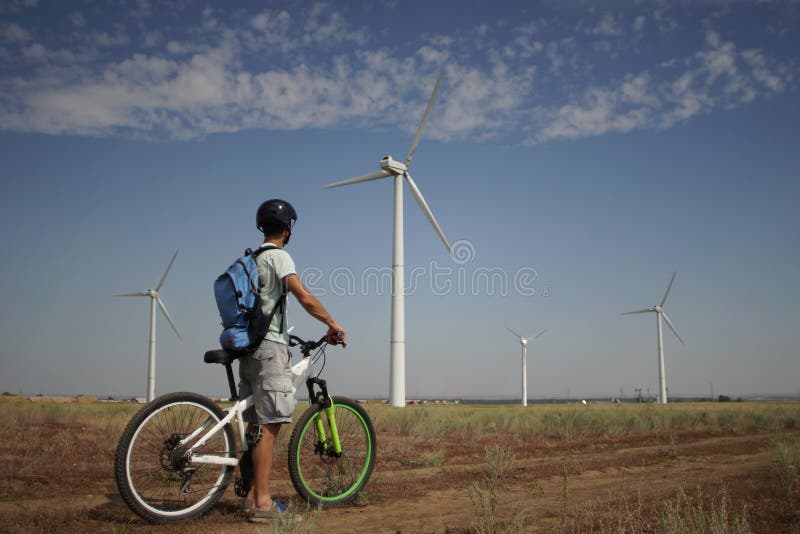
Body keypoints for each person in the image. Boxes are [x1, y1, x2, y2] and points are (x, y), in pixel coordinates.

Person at [239, 198, 346, 523]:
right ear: (287, 229)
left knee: (255, 424)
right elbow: (302, 295)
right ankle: (263, 505)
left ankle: (251, 495)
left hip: (248, 349)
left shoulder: (251, 259)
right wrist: (332, 324)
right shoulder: (278, 257)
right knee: (270, 425)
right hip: (269, 347)